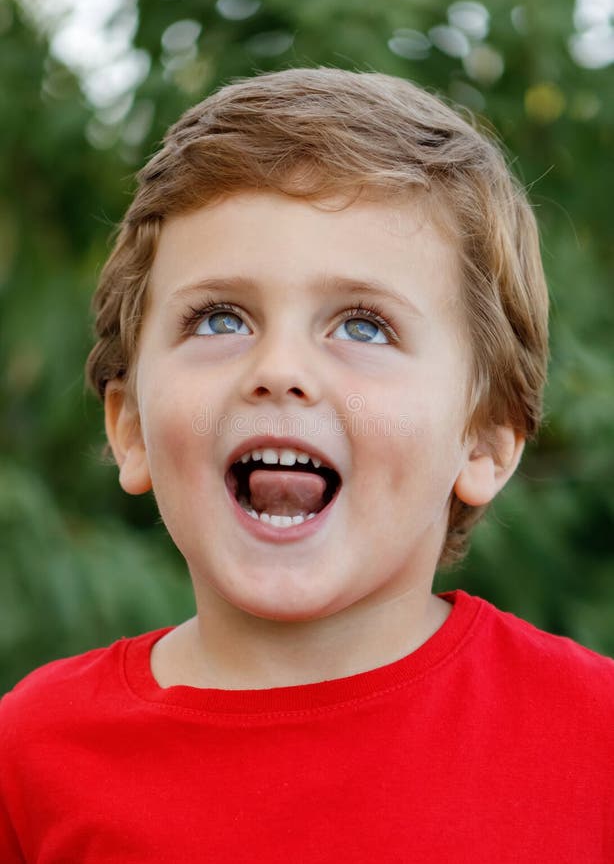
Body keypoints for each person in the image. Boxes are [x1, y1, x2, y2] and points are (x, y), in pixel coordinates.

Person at [1, 67, 612, 863]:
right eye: (220, 319)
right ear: (132, 428)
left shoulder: (596, 740)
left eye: (363, 326)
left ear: (485, 442)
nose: (279, 368)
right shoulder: (29, 758)